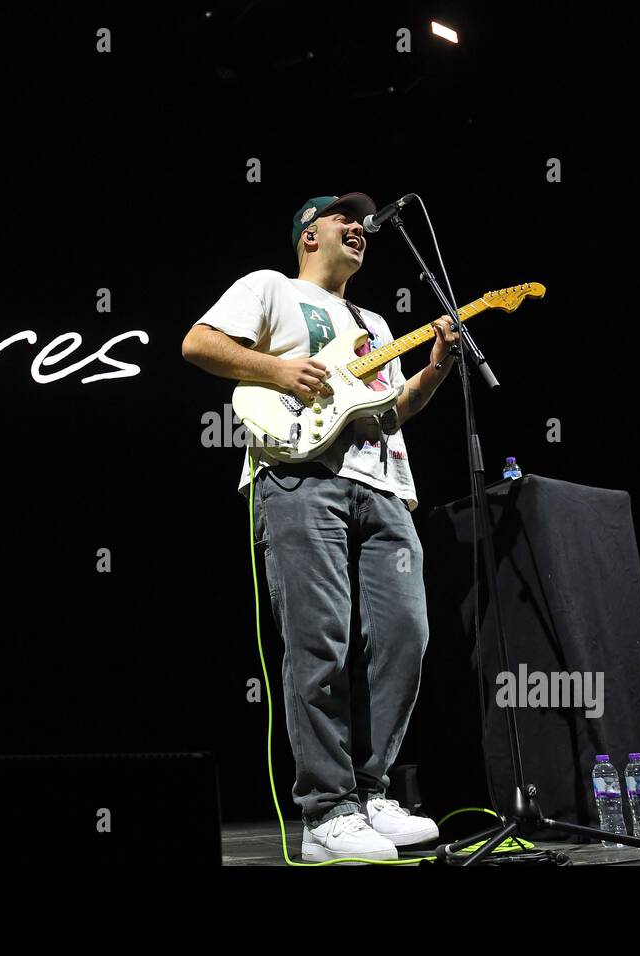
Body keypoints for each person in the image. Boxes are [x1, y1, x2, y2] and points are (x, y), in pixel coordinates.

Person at [182, 192, 459, 862]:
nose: (358, 227)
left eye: (363, 220)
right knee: (319, 644)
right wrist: (279, 368)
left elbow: (390, 409)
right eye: (343, 217)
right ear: (310, 234)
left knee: (406, 637)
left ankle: (368, 793)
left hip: (385, 487)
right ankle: (326, 813)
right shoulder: (268, 287)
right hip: (300, 479)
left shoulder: (375, 320)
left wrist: (436, 368)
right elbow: (199, 343)